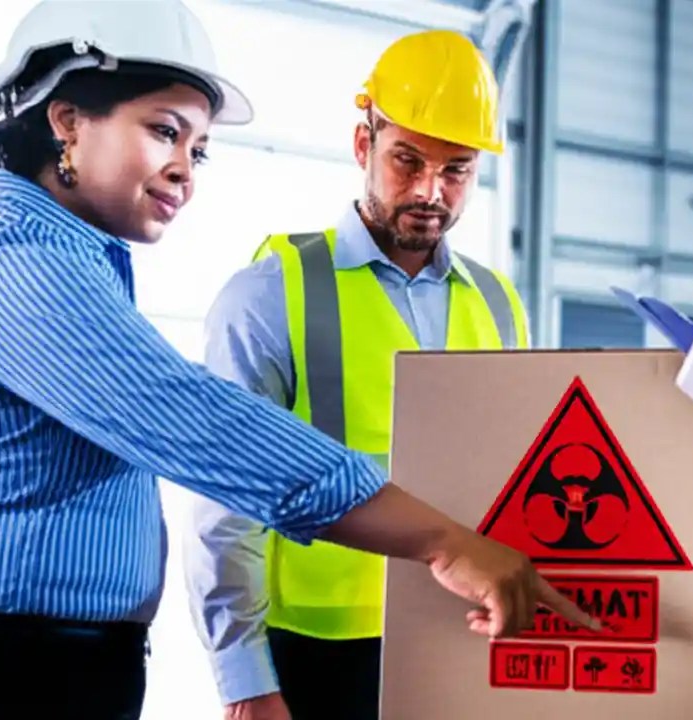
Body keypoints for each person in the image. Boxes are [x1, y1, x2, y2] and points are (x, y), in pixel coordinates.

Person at [0, 3, 592, 719]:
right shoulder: (20, 264)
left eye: (197, 149)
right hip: (2, 678)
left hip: (60, 668)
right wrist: (443, 543)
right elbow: (194, 423)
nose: (184, 170)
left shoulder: (78, 264)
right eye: (164, 131)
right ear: (67, 121)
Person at [182, 29, 528, 720]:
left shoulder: (497, 300)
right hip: (317, 654)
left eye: (457, 169)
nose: (431, 191)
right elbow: (225, 503)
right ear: (364, 144)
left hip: (461, 641)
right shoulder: (272, 292)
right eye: (408, 159)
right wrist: (245, 680)